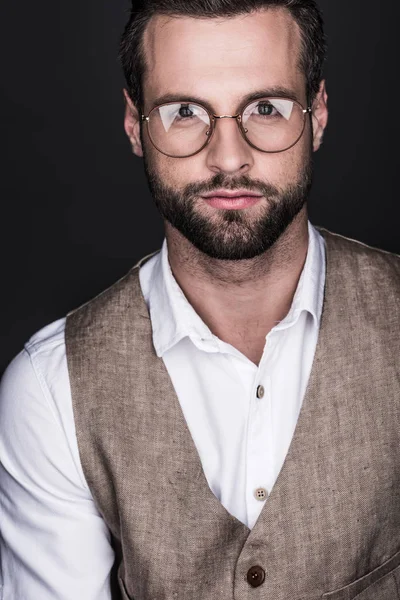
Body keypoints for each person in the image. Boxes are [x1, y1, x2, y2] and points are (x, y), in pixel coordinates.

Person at [0, 0, 399, 598]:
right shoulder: (50, 391)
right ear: (136, 125)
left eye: (265, 107)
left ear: (316, 113)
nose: (229, 158)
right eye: (185, 111)